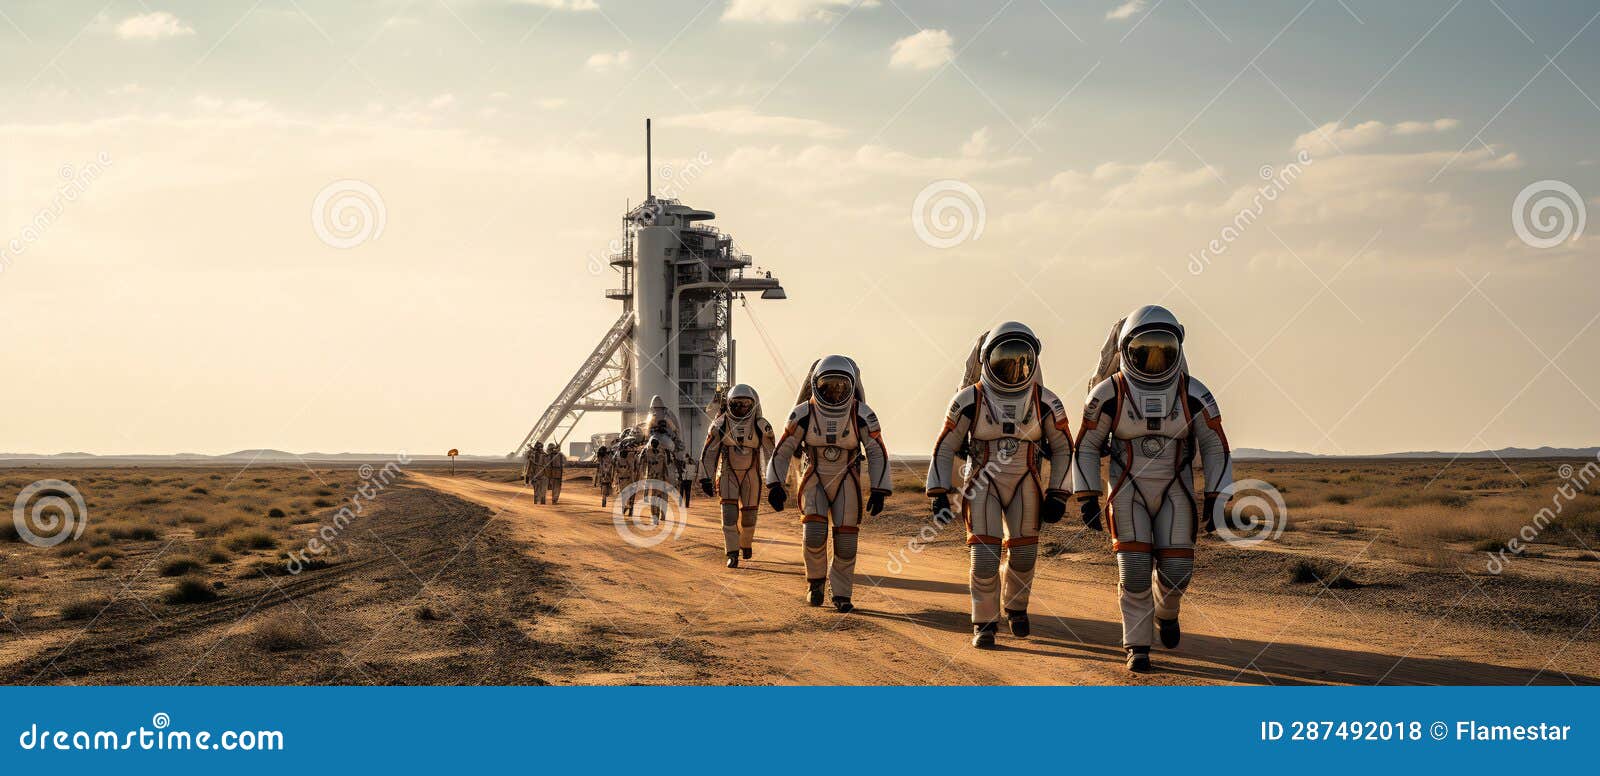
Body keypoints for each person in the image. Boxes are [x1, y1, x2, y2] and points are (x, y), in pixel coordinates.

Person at [1071, 305, 1235, 673]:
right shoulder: (1109, 393)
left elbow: (1214, 446)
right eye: (1145, 350)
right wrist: (1087, 496)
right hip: (1126, 489)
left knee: (1178, 571)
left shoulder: (1193, 393)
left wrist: (1218, 496)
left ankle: (1167, 610)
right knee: (1133, 569)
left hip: (1176, 487)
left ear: (1178, 348)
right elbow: (1088, 445)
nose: (1154, 360)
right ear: (1126, 350)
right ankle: (1137, 646)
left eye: (1164, 349)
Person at [926, 322, 1075, 648]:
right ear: (988, 359)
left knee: (1024, 555)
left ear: (1032, 361)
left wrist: (1059, 494)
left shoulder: (1045, 401)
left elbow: (1064, 447)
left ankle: (1016, 607)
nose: (1012, 369)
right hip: (982, 482)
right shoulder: (969, 399)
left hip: (1025, 480)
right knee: (984, 557)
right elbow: (946, 445)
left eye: (1020, 361)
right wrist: (938, 492)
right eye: (1004, 360)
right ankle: (984, 623)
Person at [766, 355, 890, 612]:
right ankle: (815, 584)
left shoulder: (861, 414)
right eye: (828, 387)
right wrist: (775, 483)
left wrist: (880, 489)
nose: (834, 393)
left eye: (840, 387)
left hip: (847, 476)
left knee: (846, 541)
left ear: (851, 387)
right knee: (814, 533)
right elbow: (784, 449)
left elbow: (876, 451)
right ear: (815, 385)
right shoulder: (803, 413)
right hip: (814, 474)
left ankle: (842, 594)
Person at [700, 384, 776, 568]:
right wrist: (705, 477)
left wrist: (775, 481)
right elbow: (709, 452)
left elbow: (771, 453)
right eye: (736, 404)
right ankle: (732, 552)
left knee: (749, 516)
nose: (741, 408)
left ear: (753, 405)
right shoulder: (720, 424)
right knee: (729, 514)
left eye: (745, 404)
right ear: (729, 404)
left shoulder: (760, 425)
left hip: (751, 474)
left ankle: (745, 543)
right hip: (728, 472)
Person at [640, 436, 675, 524]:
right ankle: (655, 517)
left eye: (656, 443)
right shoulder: (647, 452)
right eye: (653, 443)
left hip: (661, 479)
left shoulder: (662, 453)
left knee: (661, 498)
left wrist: (667, 479)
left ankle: (661, 515)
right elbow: (645, 466)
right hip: (652, 479)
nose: (654, 445)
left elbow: (666, 466)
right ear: (651, 444)